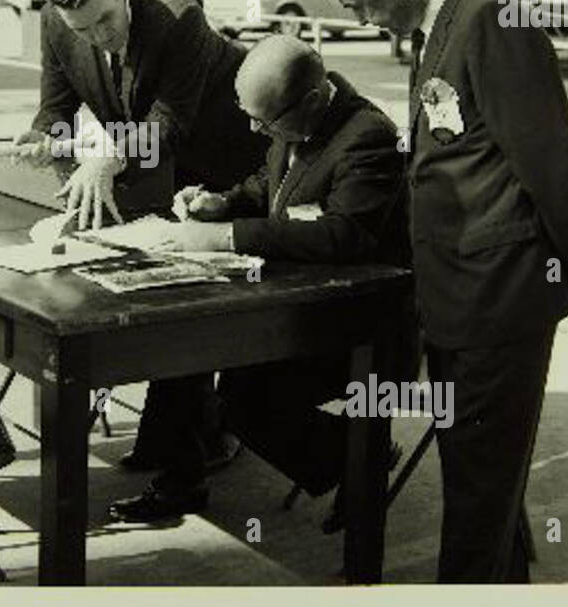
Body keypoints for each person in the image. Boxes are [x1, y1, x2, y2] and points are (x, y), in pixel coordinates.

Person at [321, 0, 568, 582]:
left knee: (477, 500)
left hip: (499, 299)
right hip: (455, 297)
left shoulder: (491, 21)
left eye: (358, 5)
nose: (361, 19)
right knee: (478, 485)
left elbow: (555, 163)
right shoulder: (438, 26)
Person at [20, 0, 268, 503]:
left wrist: (106, 157)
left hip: (229, 163)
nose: (99, 37)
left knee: (187, 305)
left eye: (105, 21)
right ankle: (176, 441)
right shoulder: (58, 24)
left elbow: (170, 124)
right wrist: (42, 139)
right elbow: (53, 110)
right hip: (158, 169)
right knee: (169, 295)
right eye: (82, 30)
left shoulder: (178, 14)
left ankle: (192, 461)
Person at [123, 35, 410, 522]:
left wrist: (224, 238)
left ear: (314, 100)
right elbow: (271, 184)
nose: (257, 130)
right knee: (185, 346)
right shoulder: (296, 117)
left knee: (245, 402)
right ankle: (181, 479)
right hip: (292, 301)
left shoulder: (368, 138)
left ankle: (359, 458)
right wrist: (224, 201)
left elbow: (344, 234)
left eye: (266, 119)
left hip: (355, 324)